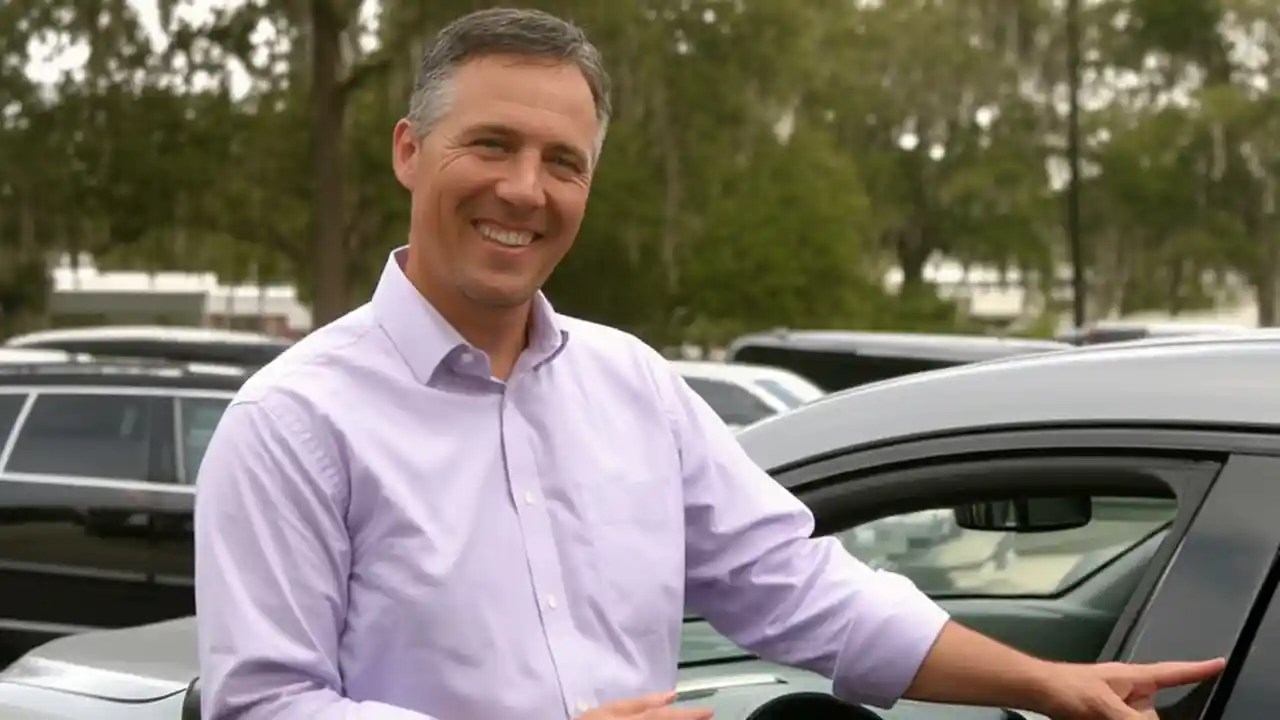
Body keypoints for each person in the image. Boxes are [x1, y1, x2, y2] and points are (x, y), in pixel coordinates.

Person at [192, 7, 1223, 720]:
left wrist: (1042, 684)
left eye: (562, 162)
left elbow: (794, 586)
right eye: (490, 145)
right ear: (409, 150)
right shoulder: (295, 423)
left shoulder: (631, 386)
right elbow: (263, 703)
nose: (524, 190)